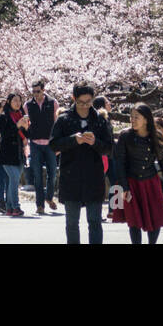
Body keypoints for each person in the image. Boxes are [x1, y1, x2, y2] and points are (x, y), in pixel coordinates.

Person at [52, 81, 113, 244]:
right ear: (74, 98)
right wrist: (74, 140)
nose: (85, 106)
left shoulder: (100, 120)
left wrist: (95, 142)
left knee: (95, 222)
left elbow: (109, 148)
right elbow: (53, 145)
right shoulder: (64, 119)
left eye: (88, 102)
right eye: (81, 102)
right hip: (71, 176)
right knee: (72, 223)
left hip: (94, 177)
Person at [111, 104, 163, 244]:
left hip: (151, 181)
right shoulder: (125, 136)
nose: (132, 120)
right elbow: (120, 162)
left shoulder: (156, 136)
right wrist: (124, 187)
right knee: (134, 221)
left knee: (155, 218)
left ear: (146, 119)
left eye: (136, 117)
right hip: (131, 182)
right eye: (131, 117)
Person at [25, 79, 60, 215]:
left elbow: (57, 125)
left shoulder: (53, 103)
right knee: (37, 176)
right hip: (35, 144)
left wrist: (57, 143)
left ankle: (49, 197)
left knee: (53, 174)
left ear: (43, 90)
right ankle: (40, 205)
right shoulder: (28, 105)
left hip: (50, 144)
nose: (35, 94)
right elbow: (26, 123)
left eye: (38, 91)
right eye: (33, 92)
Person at [0, 93, 28, 217]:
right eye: (15, 100)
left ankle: (9, 207)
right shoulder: (3, 116)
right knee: (14, 179)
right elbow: (5, 134)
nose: (17, 103)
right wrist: (18, 125)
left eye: (19, 101)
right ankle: (16, 206)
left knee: (13, 181)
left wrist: (26, 128)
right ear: (9, 102)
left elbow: (26, 134)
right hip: (7, 153)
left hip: (19, 153)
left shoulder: (21, 115)